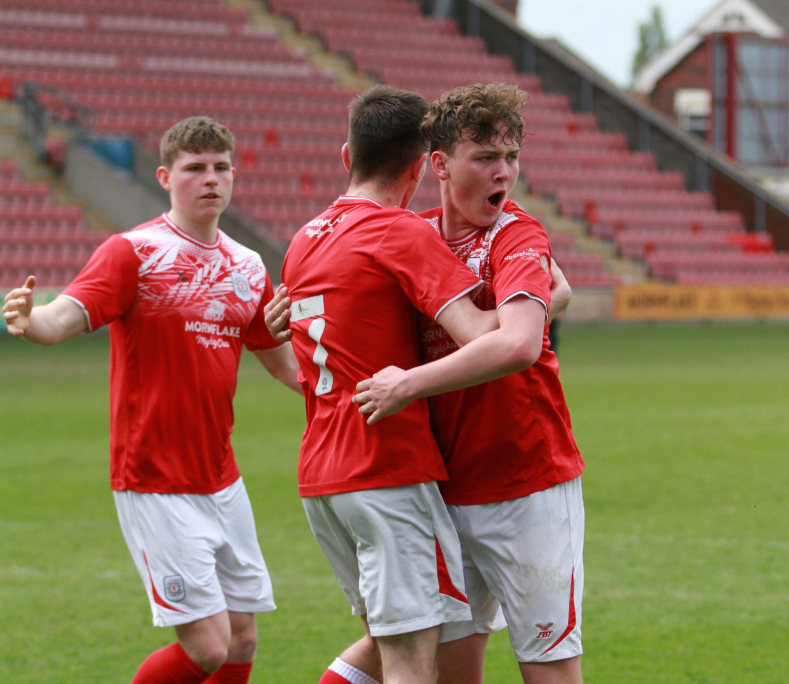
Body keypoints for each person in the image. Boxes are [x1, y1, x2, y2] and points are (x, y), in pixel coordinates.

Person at [2, 116, 301, 684]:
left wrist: (357, 390)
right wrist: (30, 321)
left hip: (221, 478)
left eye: (220, 168)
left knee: (241, 639)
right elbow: (63, 317)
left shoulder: (247, 266)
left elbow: (283, 365)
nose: (209, 178)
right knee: (207, 646)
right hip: (155, 479)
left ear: (233, 175)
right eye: (194, 168)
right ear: (166, 177)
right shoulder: (133, 252)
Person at [338, 83, 586, 684]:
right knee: (447, 670)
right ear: (441, 165)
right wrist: (290, 309)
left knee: (549, 671)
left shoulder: (516, 236)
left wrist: (408, 385)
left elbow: (522, 344)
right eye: (486, 158)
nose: (505, 174)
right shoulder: (411, 234)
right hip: (441, 494)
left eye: (511, 158)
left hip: (525, 487)